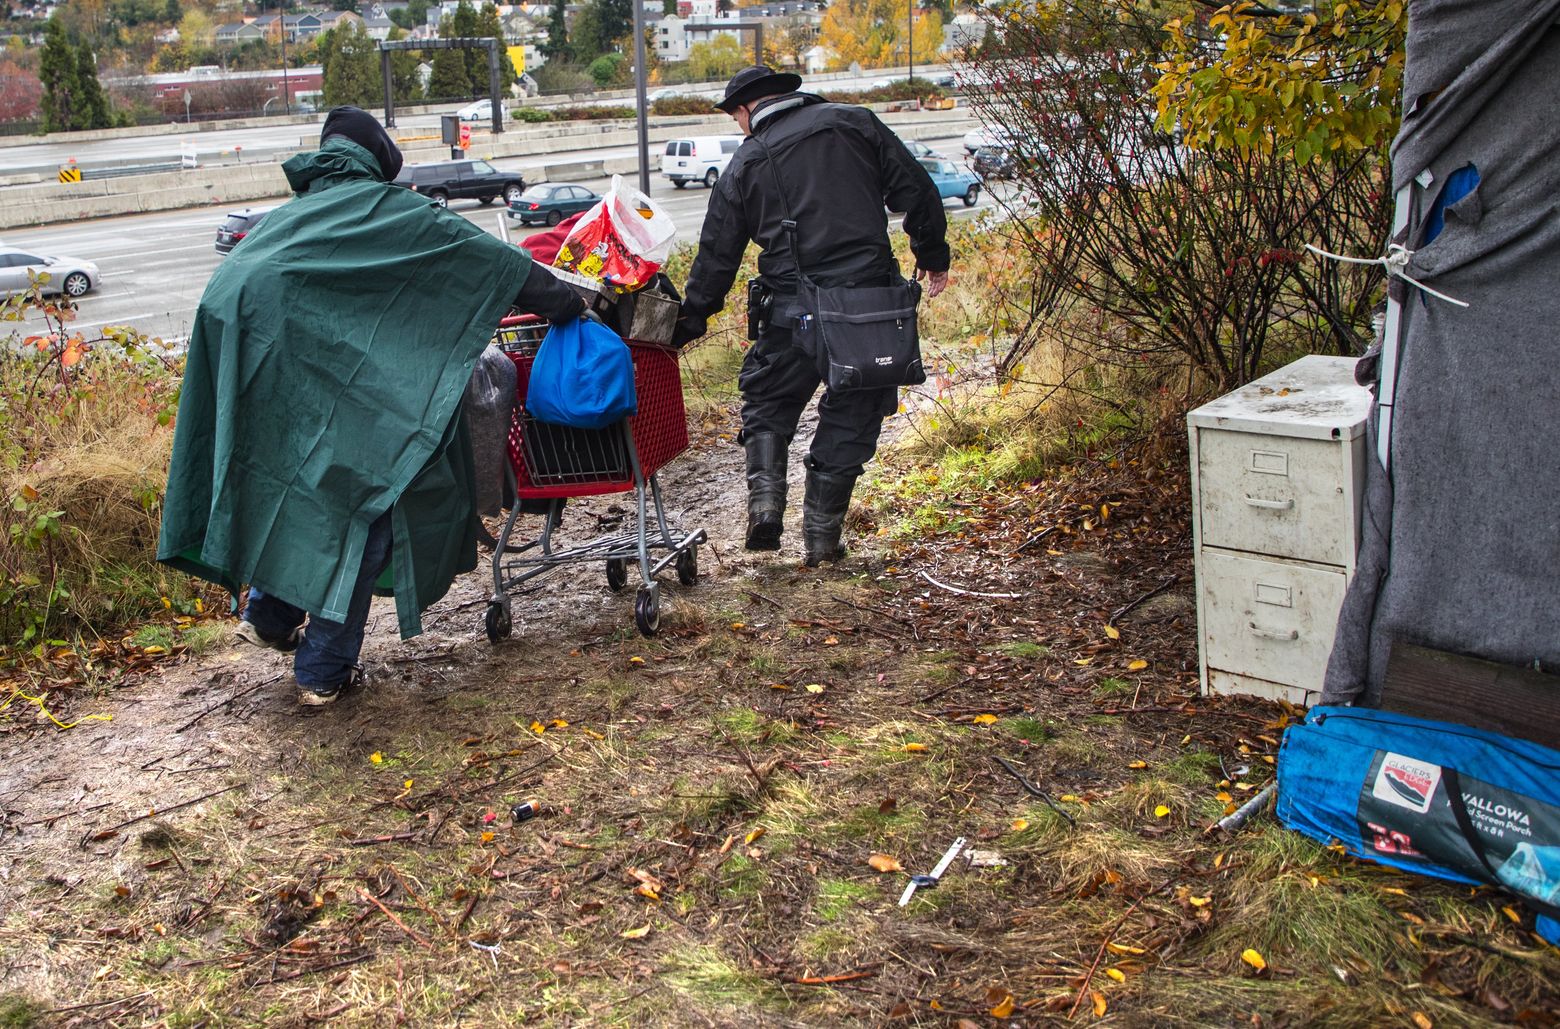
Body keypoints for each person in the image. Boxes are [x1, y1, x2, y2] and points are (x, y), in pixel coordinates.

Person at [157, 107, 586, 706]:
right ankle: (323, 670)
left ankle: (271, 616)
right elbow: (497, 266)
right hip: (316, 380)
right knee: (367, 505)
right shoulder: (394, 214)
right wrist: (568, 304)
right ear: (378, 164)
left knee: (309, 495)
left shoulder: (291, 218)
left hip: (253, 367)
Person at [671, 65, 951, 566]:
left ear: (745, 109)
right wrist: (931, 253)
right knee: (854, 416)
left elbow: (716, 257)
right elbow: (918, 191)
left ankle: (765, 508)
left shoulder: (745, 163)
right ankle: (821, 543)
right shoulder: (856, 123)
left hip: (788, 314)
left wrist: (690, 322)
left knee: (768, 403)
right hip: (867, 314)